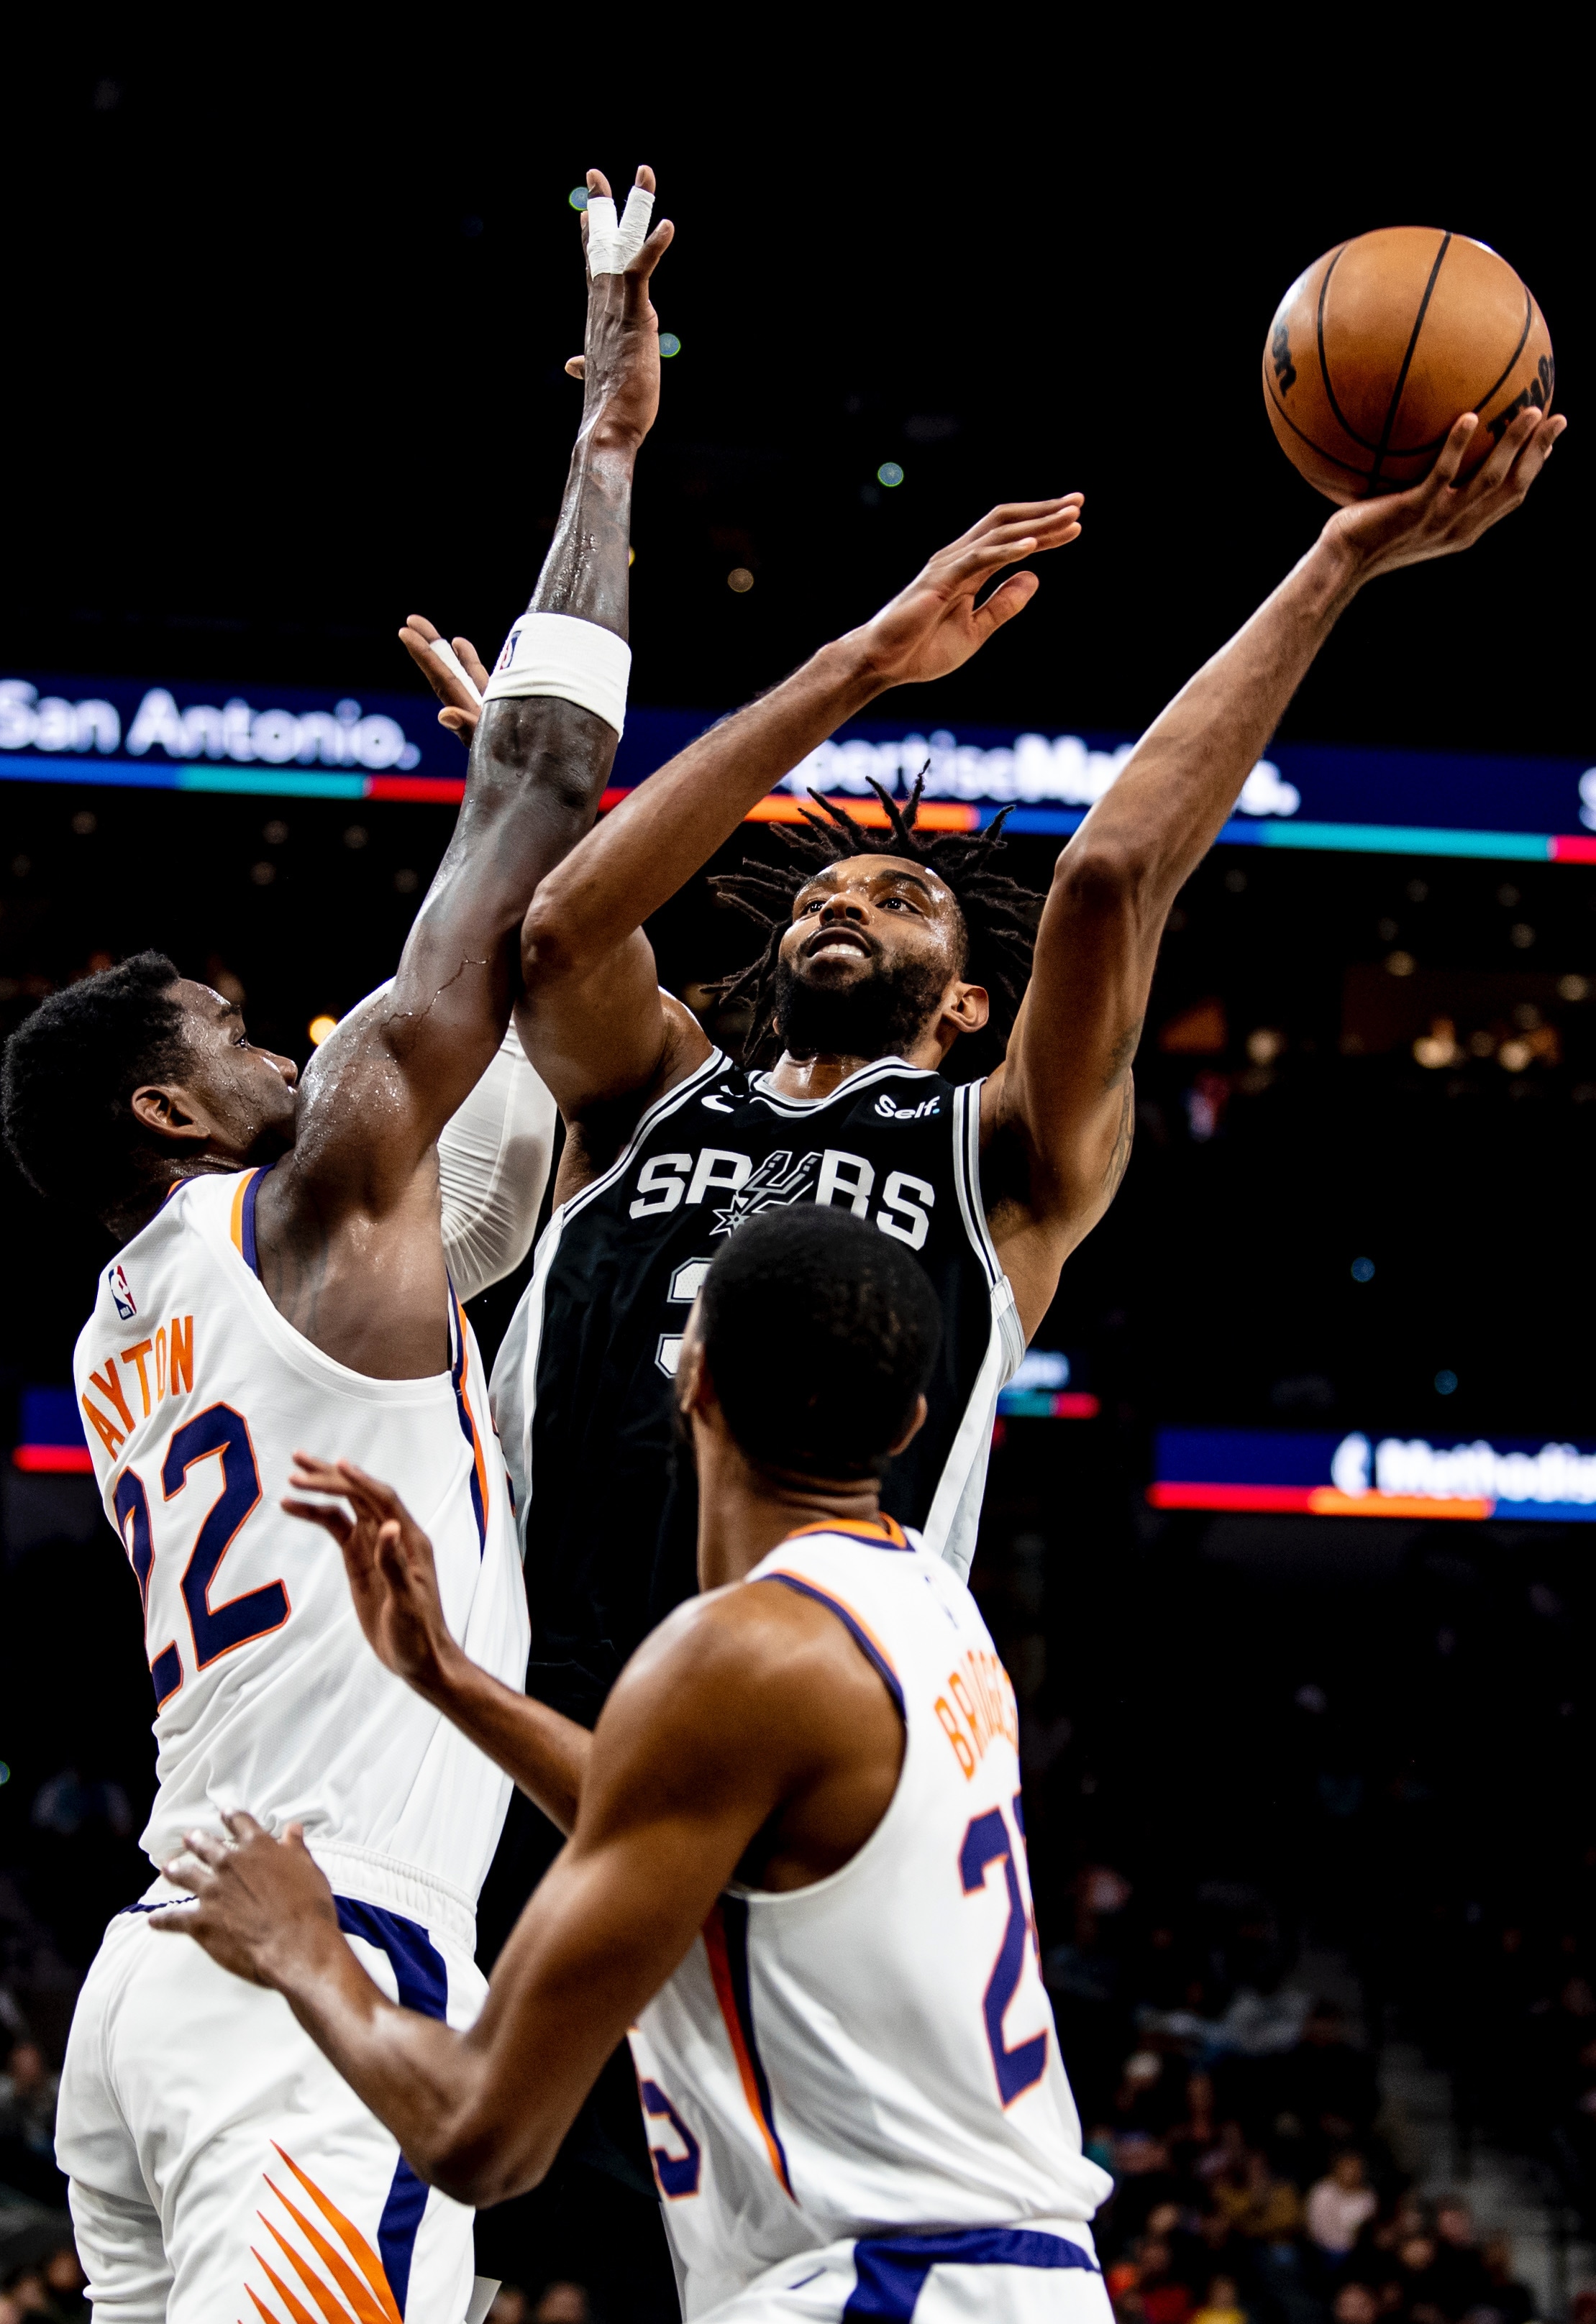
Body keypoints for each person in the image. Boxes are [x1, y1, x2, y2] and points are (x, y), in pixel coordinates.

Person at [0, 168, 672, 2324]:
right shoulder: (311, 1196)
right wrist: (605, 443)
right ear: (173, 1116)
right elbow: (533, 808)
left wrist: (511, 796)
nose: (280, 1034)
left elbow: (536, 1051)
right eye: (222, 1030)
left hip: (152, 1995)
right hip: (309, 1980)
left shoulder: (148, 1311)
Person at [406, 390, 1563, 1770]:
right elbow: (563, 930)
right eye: (820, 896)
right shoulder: (651, 1083)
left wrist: (1337, 560)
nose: (844, 904)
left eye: (899, 900)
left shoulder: (997, 1152)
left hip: (806, 1727)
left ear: (966, 1003)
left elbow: (1111, 874)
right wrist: (859, 668)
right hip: (508, 1703)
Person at [152, 1207, 1123, 2324]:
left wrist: (307, 1952)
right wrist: (448, 1676)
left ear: (692, 1376)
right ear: (910, 1424)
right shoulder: (922, 1603)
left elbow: (483, 2137)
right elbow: (676, 1822)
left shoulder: (731, 1656)